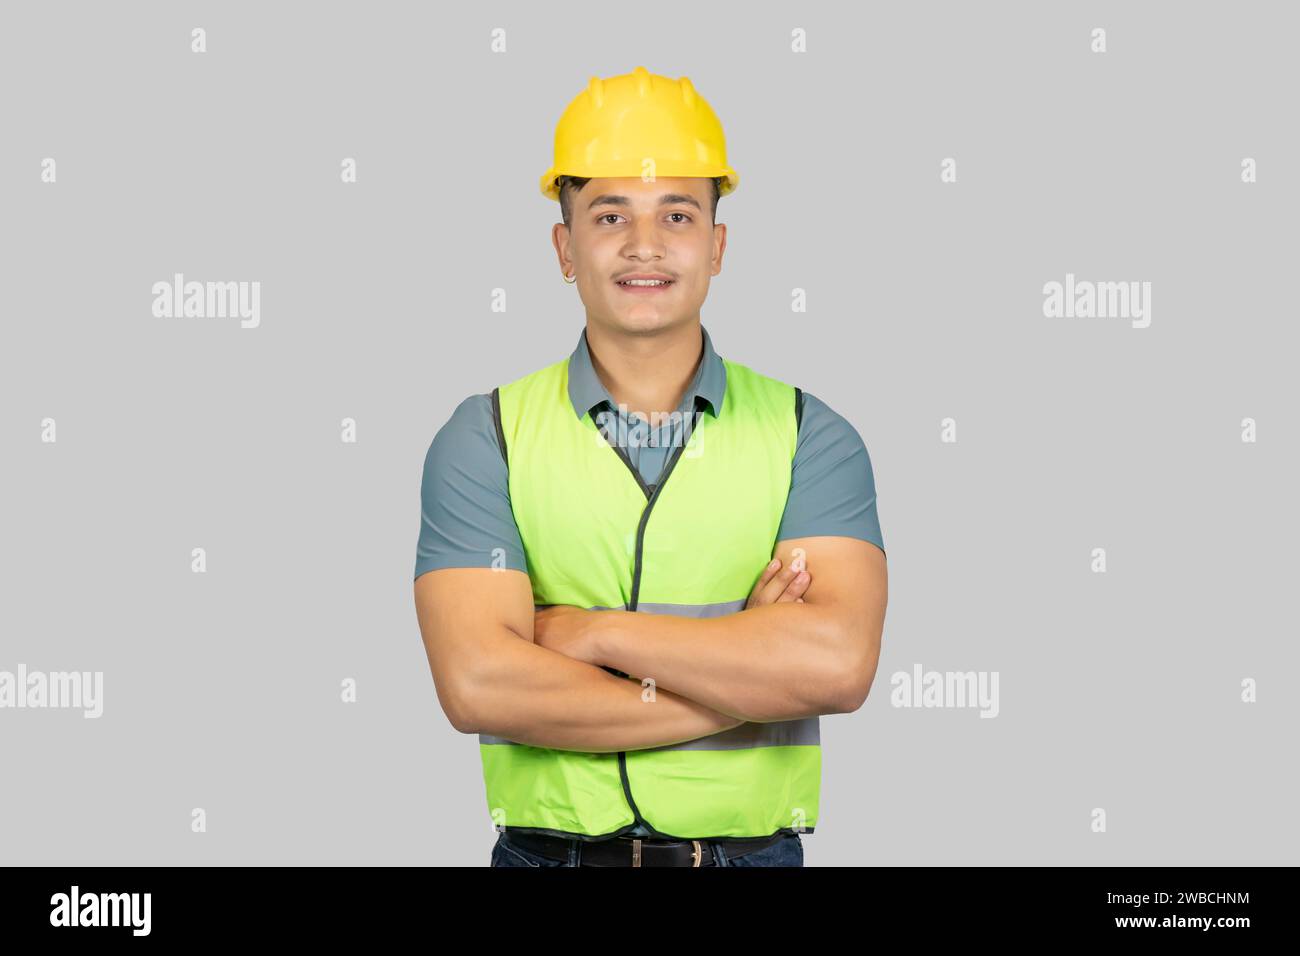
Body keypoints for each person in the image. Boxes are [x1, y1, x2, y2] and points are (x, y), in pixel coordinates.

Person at [413, 66, 888, 867]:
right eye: (609, 215)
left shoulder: (813, 436)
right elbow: (481, 687)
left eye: (677, 213)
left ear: (717, 244)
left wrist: (588, 634)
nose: (644, 245)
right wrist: (746, 679)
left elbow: (835, 667)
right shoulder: (485, 436)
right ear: (565, 247)